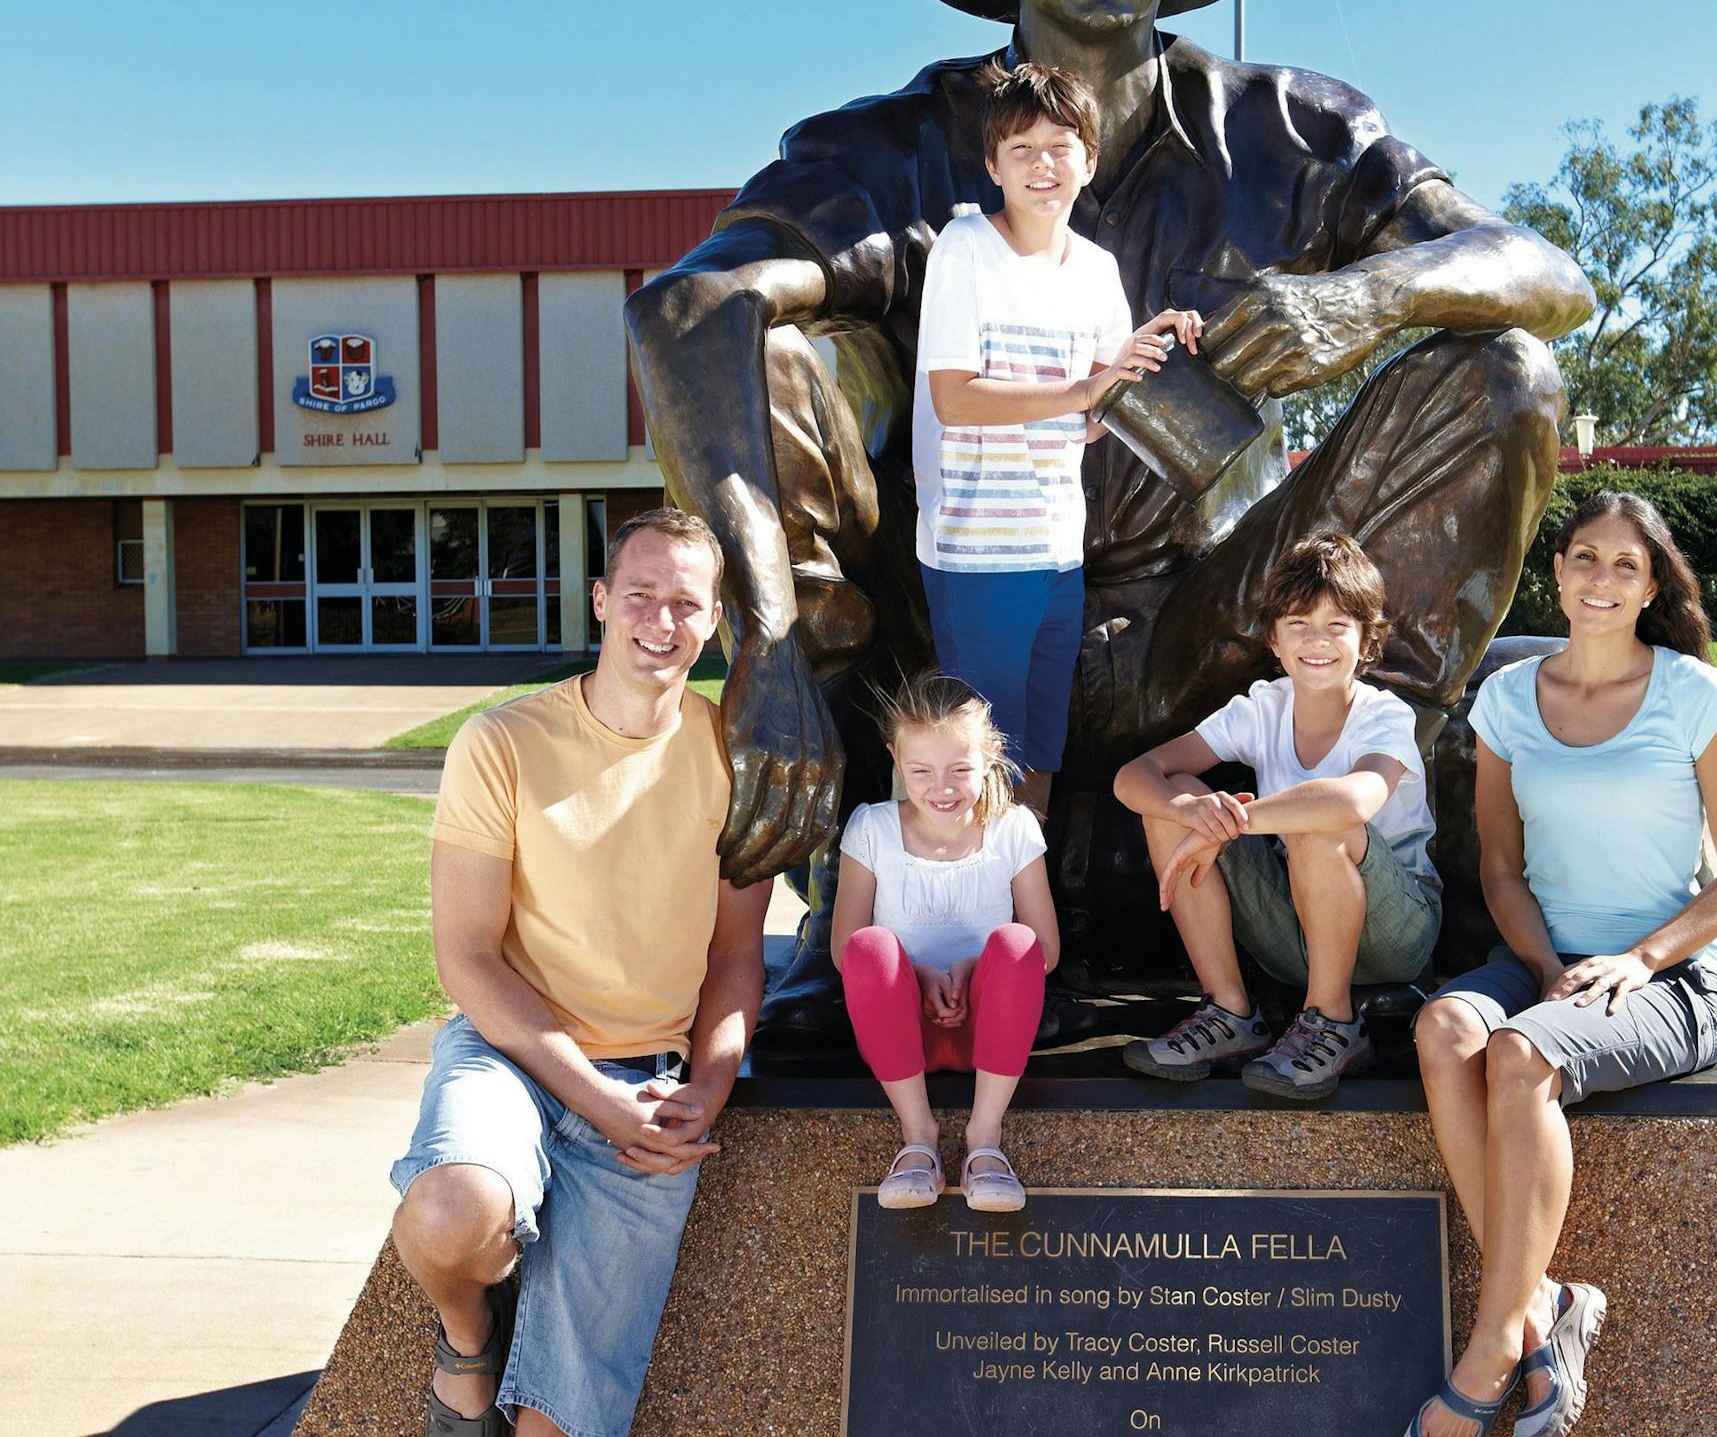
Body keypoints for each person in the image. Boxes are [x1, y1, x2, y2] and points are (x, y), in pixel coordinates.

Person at [624, 0, 1593, 952]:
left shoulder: (1290, 131)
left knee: (1503, 372)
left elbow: (1544, 273)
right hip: (945, 625)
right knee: (758, 353)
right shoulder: (890, 149)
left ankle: (1361, 847)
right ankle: (867, 869)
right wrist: (764, 638)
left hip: (1212, 623)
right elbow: (685, 309)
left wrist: (1362, 298)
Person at [385, 509, 773, 1437]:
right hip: (511, 1055)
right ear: (601, 602)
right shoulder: (503, 742)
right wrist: (590, 1092)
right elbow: (466, 956)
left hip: (652, 1085)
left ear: (714, 622)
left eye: (686, 602)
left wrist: (712, 1084)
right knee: (449, 1214)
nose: (661, 620)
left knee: (558, 1429)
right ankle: (468, 1336)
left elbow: (736, 956)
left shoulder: (736, 758)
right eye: (640, 594)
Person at [1406, 491, 1717, 1437]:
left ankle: (1490, 1351)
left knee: (1523, 1058)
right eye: (1584, 558)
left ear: (1653, 586)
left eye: (1624, 565)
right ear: (1557, 571)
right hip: (1542, 960)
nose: (1600, 579)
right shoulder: (1508, 699)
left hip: (1671, 977)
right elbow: (1498, 865)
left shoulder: (1697, 695)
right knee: (1445, 1029)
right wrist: (1540, 967)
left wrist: (1640, 959)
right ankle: (1541, 1310)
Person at [917, 58, 1200, 818]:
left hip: (1056, 549)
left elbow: (1097, 414)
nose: (1043, 164)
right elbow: (954, 399)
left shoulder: (1099, 270)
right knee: (975, 762)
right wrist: (1083, 389)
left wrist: (1152, 348)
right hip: (978, 551)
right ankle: (973, 925)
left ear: (1090, 159)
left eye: (1061, 145)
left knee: (1038, 752)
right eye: (1022, 149)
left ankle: (1022, 924)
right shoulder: (964, 248)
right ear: (992, 166)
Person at [1113, 533, 1441, 1099]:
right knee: (1177, 804)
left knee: (1320, 822)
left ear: (1366, 641)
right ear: (1274, 639)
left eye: (1338, 625)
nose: (1317, 641)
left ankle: (1334, 1023)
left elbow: (1352, 802)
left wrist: (1233, 823)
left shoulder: (1384, 714)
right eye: (1298, 624)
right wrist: (1190, 810)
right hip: (1297, 934)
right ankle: (1231, 1012)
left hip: (1396, 931)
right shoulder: (1263, 706)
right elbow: (1133, 776)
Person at [829, 671, 1060, 1210]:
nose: (942, 788)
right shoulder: (871, 829)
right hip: (901, 1029)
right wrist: (921, 975)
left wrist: (974, 969)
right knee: (870, 949)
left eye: (961, 770)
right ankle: (918, 1136)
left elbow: (1045, 949)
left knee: (1017, 943)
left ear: (990, 758)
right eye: (921, 771)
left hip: (990, 1030)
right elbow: (844, 948)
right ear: (894, 758)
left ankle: (984, 1139)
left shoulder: (1014, 827)